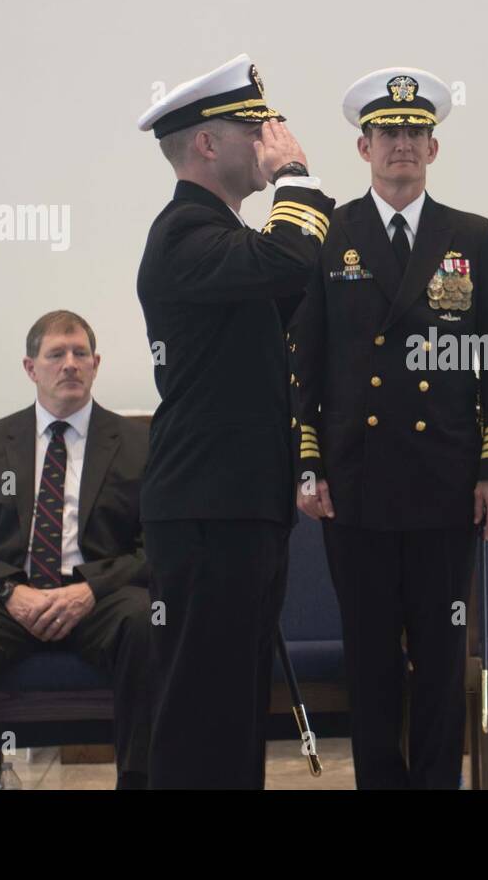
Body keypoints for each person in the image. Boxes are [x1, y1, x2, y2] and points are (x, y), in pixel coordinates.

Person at [290, 67, 488, 788]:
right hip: (354, 484)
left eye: (415, 133)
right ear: (363, 147)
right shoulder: (332, 235)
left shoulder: (471, 238)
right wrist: (307, 462)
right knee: (370, 658)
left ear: (434, 149)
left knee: (441, 655)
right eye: (388, 133)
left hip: (444, 484)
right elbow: (304, 360)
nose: (402, 145)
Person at [135, 53, 334, 788]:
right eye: (254, 129)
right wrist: (294, 173)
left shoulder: (222, 237)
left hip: (240, 507)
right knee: (200, 711)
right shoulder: (187, 235)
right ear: (207, 145)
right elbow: (289, 259)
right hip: (207, 511)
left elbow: (301, 265)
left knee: (237, 711)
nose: (270, 139)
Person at [0, 310, 151, 789]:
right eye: (56, 354)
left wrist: (90, 590)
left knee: (150, 622)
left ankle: (138, 780)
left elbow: (160, 548)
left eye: (80, 353)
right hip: (12, 601)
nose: (70, 364)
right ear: (30, 368)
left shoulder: (139, 442)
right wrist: (9, 591)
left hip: (100, 600)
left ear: (96, 363)